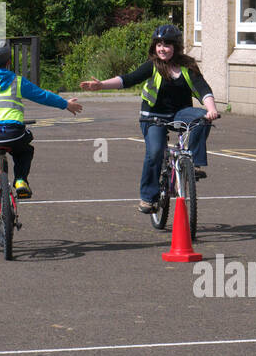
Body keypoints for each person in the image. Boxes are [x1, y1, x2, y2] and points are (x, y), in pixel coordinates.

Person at [80, 23, 220, 213]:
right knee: (155, 153)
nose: (162, 49)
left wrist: (211, 110)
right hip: (153, 115)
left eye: (167, 45)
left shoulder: (188, 66)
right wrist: (101, 85)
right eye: (159, 44)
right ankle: (148, 198)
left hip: (180, 113)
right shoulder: (152, 66)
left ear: (176, 47)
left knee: (203, 119)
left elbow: (204, 89)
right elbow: (127, 79)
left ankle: (192, 163)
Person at [0, 38, 82, 233]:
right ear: (9, 62)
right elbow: (42, 95)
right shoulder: (17, 81)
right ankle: (20, 180)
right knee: (25, 150)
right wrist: (65, 104)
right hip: (14, 133)